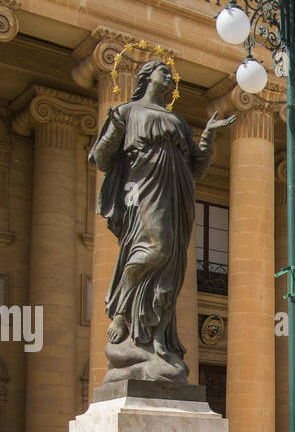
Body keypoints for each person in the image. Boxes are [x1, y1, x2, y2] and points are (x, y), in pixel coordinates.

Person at [89, 58, 234, 384]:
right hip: (144, 191)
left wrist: (208, 136)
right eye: (163, 71)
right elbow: (101, 158)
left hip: (176, 195)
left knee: (171, 267)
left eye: (170, 73)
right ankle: (122, 312)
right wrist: (114, 126)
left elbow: (197, 168)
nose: (170, 77)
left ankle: (158, 340)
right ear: (147, 77)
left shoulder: (178, 122)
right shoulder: (127, 112)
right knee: (156, 248)